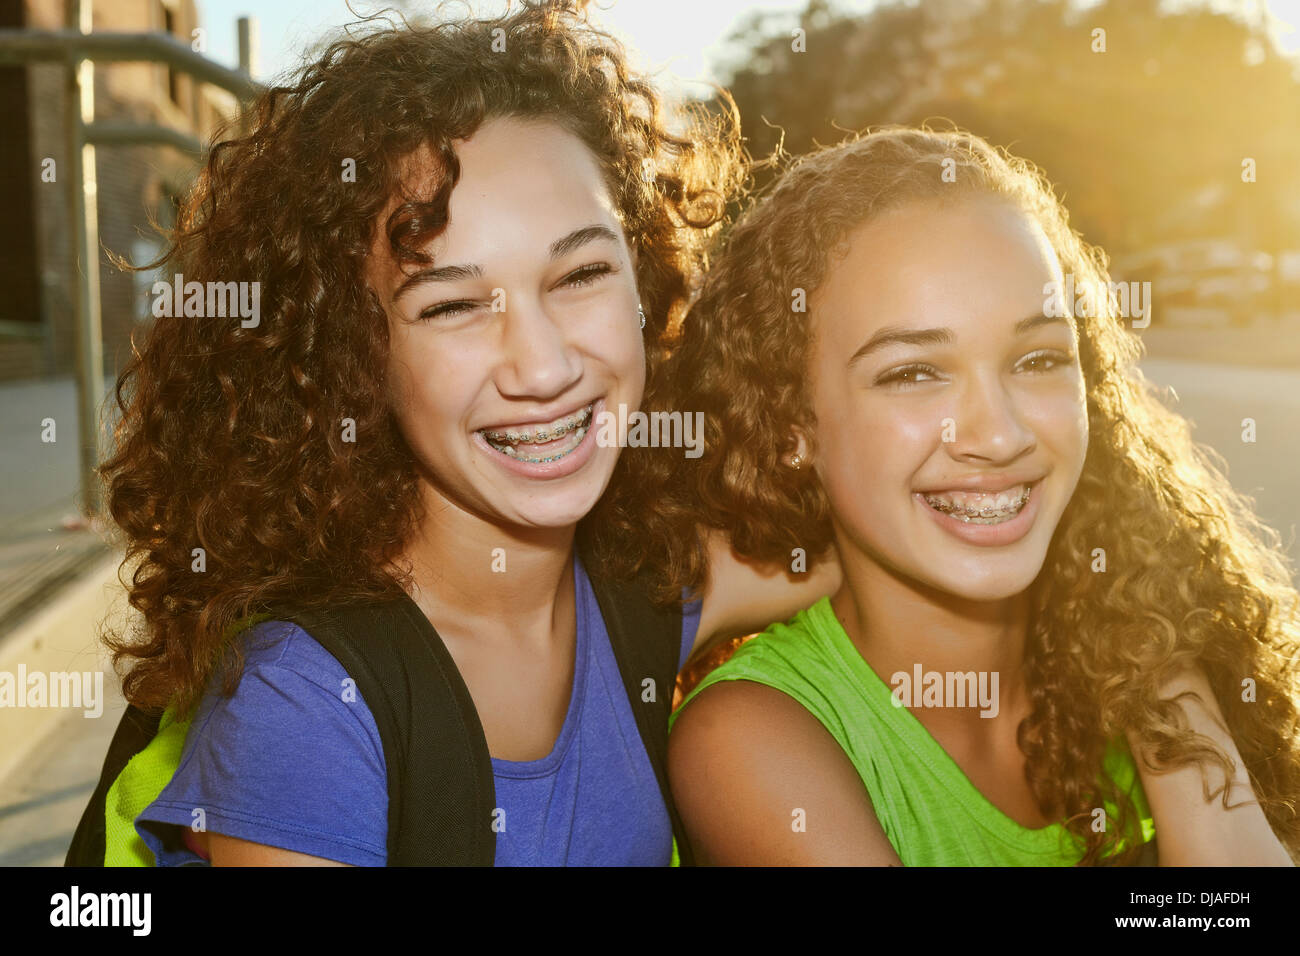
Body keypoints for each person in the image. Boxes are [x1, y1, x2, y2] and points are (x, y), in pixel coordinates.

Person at [96, 1, 836, 866]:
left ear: (650, 278)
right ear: (352, 354)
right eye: (450, 304)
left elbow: (875, 530)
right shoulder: (302, 708)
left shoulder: (642, 586)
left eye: (584, 272)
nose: (543, 365)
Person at [661, 126, 1300, 865]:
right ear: (790, 426)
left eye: (1037, 359)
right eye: (913, 373)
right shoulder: (748, 739)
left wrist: (1166, 673)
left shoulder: (1136, 644)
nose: (998, 435)